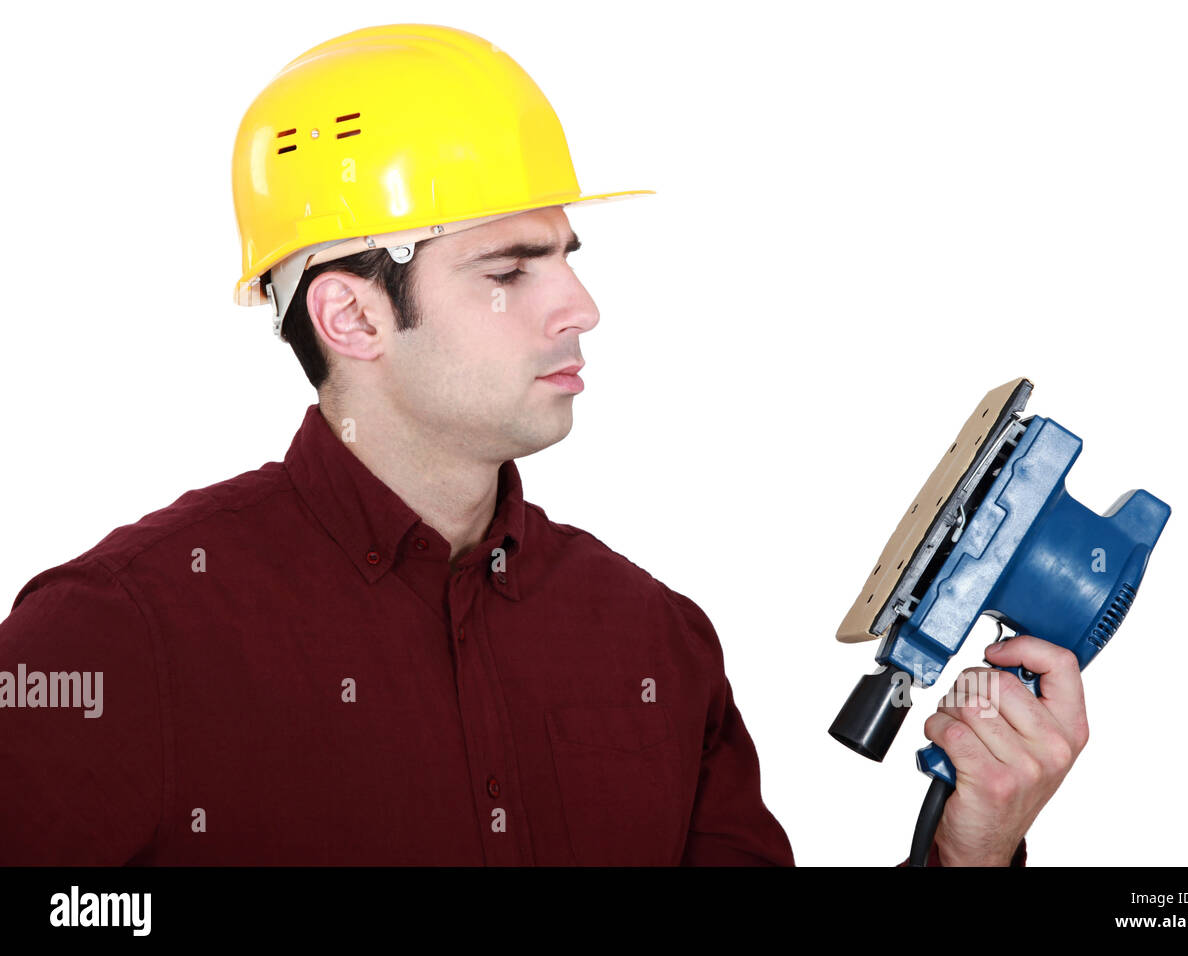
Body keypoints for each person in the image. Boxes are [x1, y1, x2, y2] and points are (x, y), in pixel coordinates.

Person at [0, 23, 1085, 866]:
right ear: (351, 318)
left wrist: (967, 849)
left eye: (566, 254)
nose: (581, 305)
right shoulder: (113, 633)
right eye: (510, 270)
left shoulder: (651, 640)